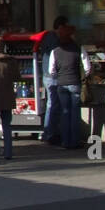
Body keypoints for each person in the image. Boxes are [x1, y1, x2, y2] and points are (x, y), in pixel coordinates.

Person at [47, 25, 90, 150]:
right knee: (75, 113)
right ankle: (75, 140)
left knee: (65, 113)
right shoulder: (79, 49)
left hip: (61, 84)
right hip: (75, 83)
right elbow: (87, 68)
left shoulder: (55, 51)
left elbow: (52, 71)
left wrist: (59, 76)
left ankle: (66, 141)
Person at [36, 15, 69, 145]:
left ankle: (49, 131)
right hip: (52, 75)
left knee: (52, 104)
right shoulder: (54, 39)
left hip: (47, 74)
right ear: (61, 27)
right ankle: (50, 132)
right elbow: (57, 56)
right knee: (53, 104)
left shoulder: (48, 37)